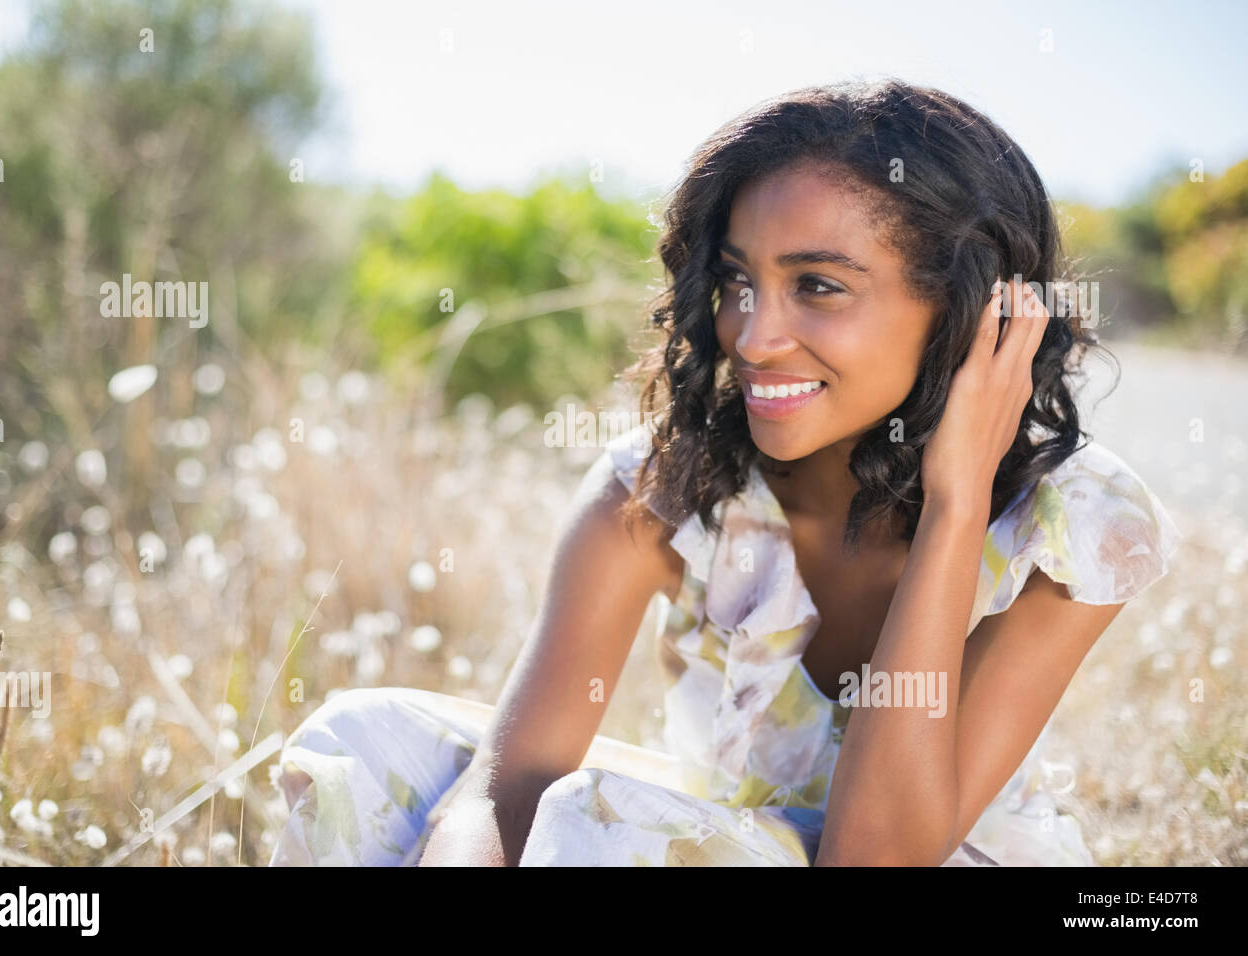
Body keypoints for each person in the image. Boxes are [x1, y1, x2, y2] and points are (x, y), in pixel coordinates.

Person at [268, 78, 1183, 867]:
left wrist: (955, 506)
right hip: (725, 840)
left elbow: (878, 857)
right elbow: (502, 789)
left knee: (601, 826)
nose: (752, 334)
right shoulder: (660, 489)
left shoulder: (1073, 521)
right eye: (739, 280)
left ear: (975, 310)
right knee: (362, 740)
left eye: (817, 286)